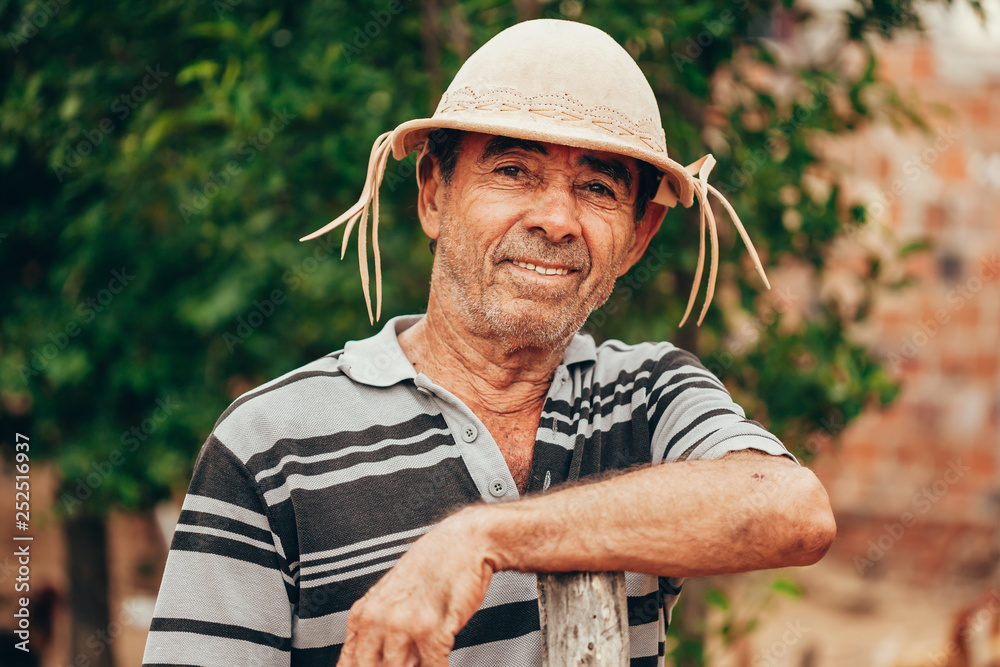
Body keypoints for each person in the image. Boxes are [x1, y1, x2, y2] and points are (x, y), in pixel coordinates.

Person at [142, 19, 835, 667]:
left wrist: (478, 537)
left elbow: (790, 508)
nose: (557, 219)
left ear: (638, 237)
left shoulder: (647, 397)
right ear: (434, 195)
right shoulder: (269, 444)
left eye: (596, 187)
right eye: (513, 171)